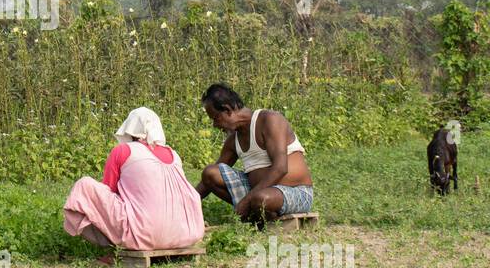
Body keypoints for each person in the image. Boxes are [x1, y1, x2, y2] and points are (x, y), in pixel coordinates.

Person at [64, 107, 205, 254]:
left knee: (84, 185)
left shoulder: (122, 151)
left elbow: (109, 191)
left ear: (130, 130)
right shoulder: (174, 155)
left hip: (144, 235)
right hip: (187, 233)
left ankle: (111, 248)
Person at [195, 82, 313, 224]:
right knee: (210, 173)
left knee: (261, 199)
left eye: (215, 118)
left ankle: (256, 213)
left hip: (295, 192)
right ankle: (258, 215)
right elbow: (208, 181)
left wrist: (247, 200)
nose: (215, 125)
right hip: (258, 192)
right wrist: (188, 201)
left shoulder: (270, 120)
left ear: (227, 110)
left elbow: (280, 168)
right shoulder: (233, 140)